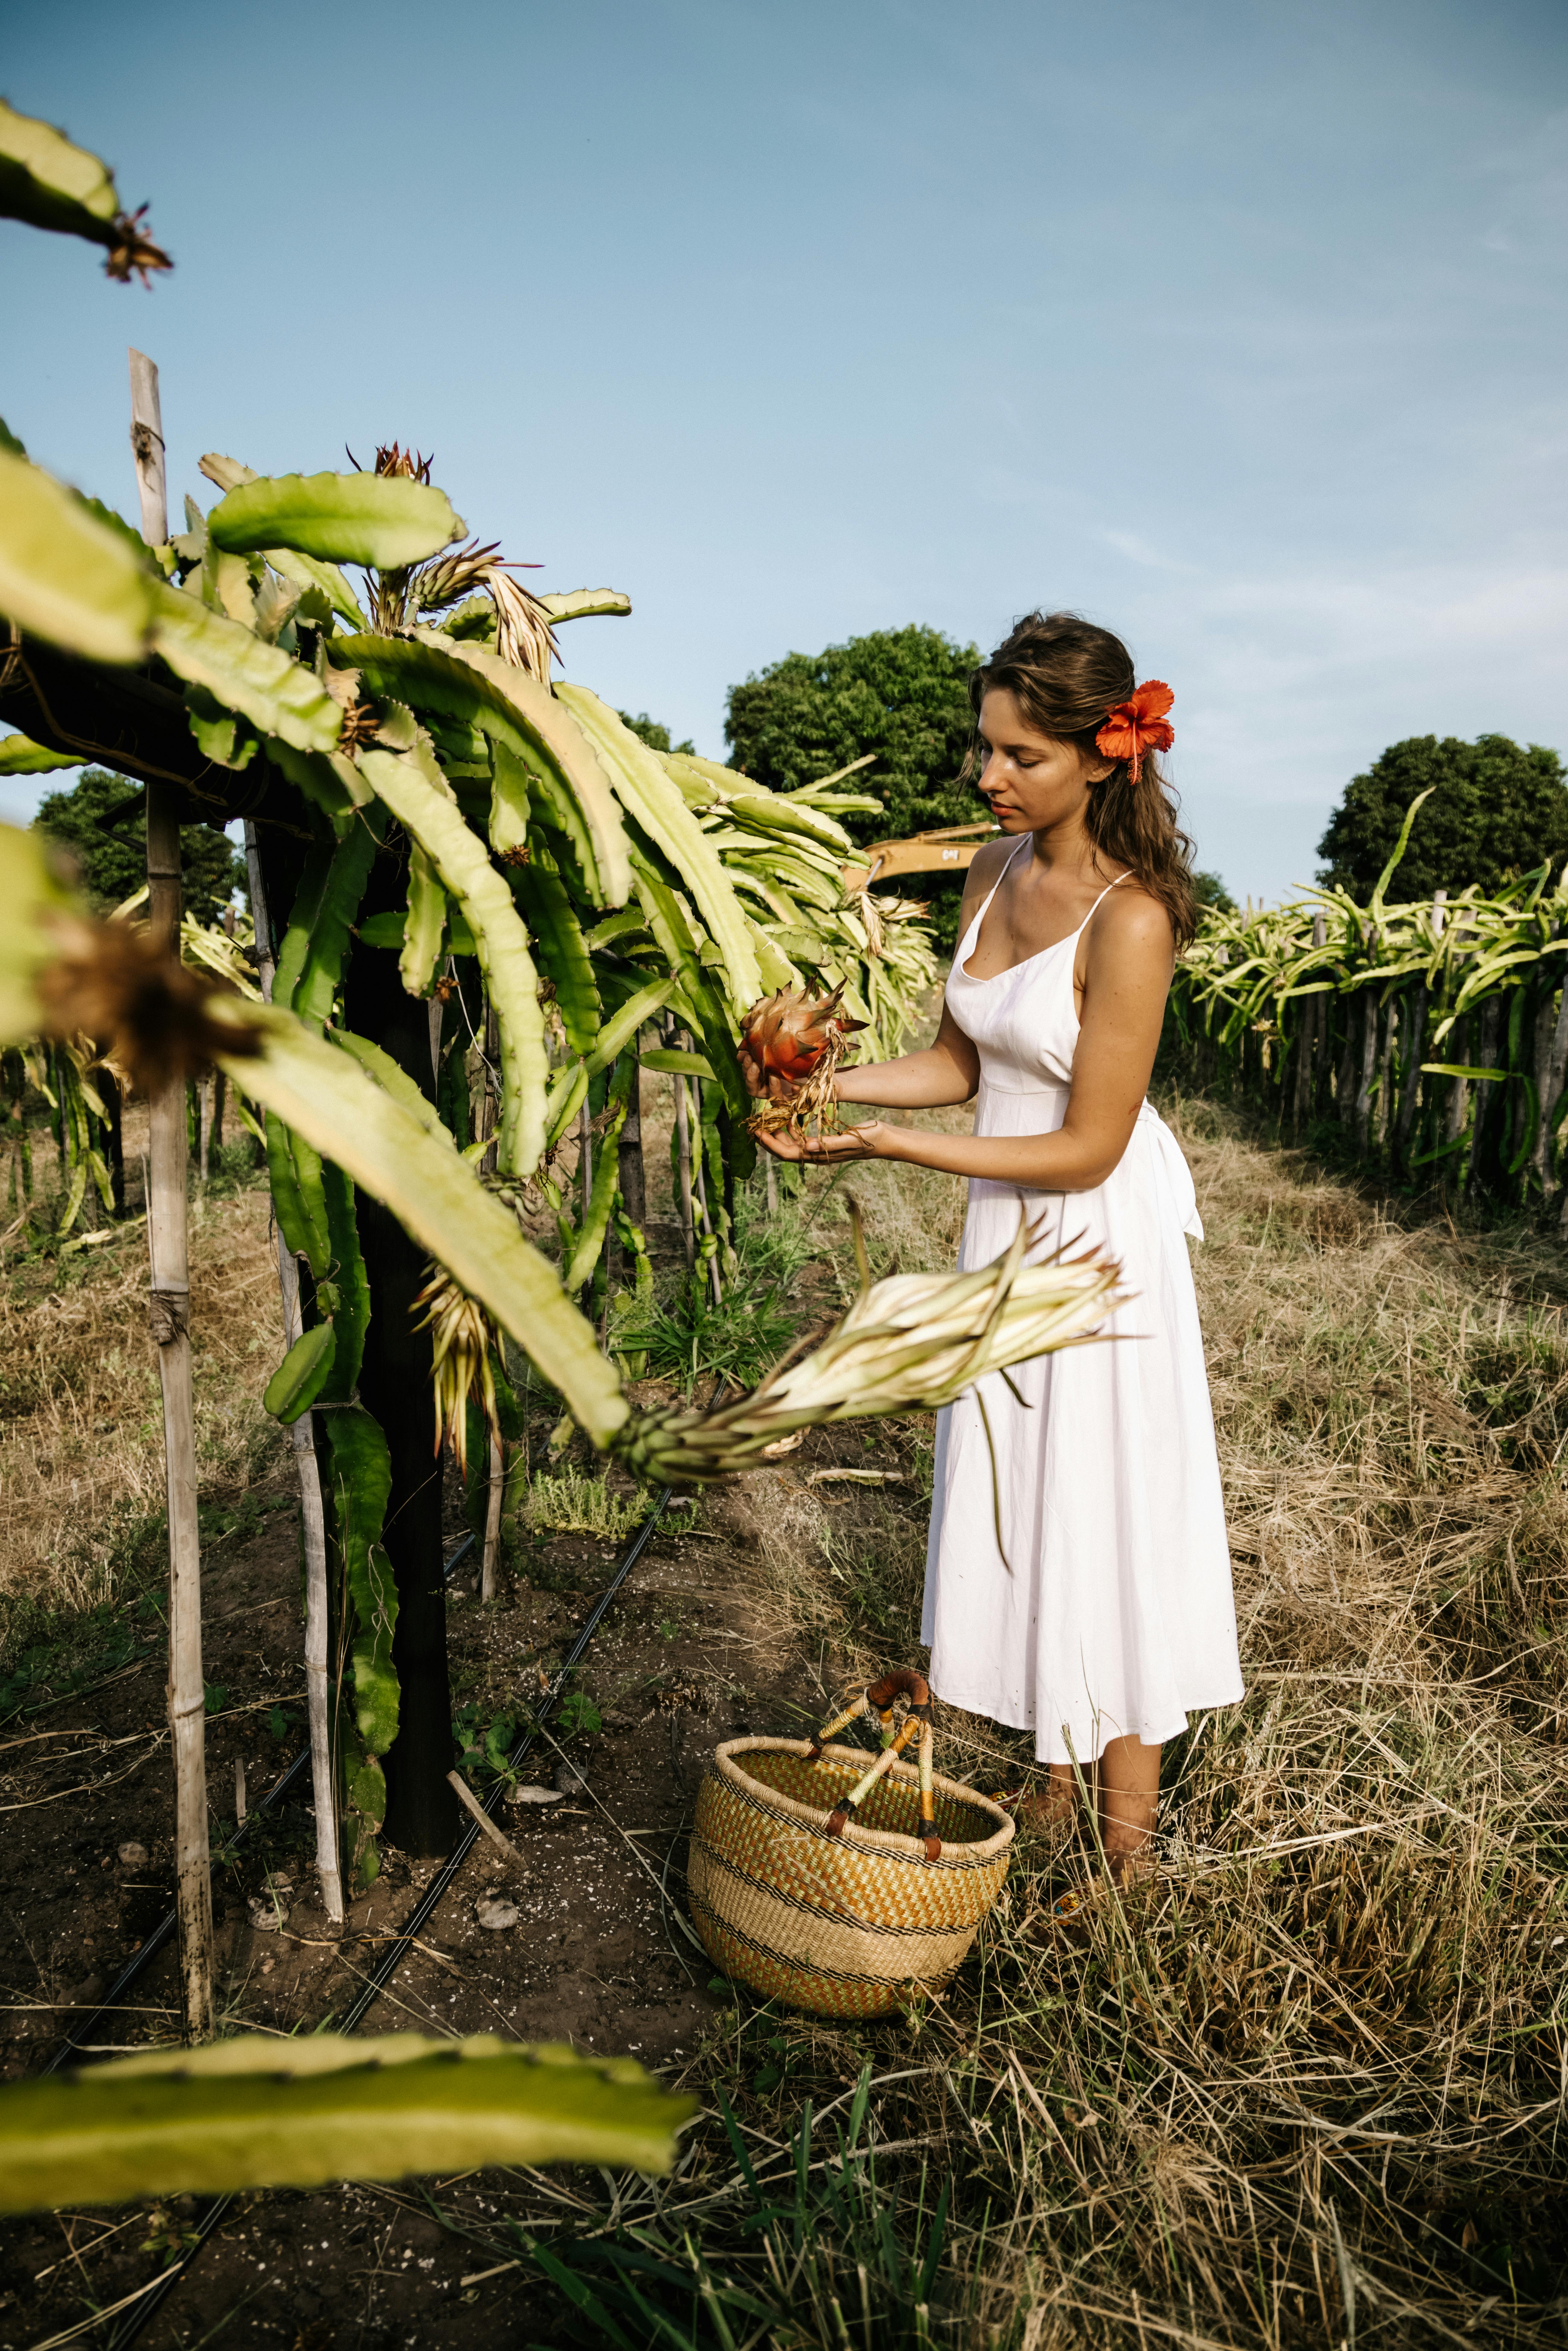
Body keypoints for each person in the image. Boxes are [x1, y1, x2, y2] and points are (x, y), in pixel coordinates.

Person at [743, 611, 1242, 1888]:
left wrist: (889, 1154)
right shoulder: (990, 873)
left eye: (1018, 754)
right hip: (1000, 1226)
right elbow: (963, 1065)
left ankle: (1126, 1858)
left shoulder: (1133, 920)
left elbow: (1084, 1145)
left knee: (1107, 1516)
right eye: (986, 747)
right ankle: (1057, 1787)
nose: (988, 774)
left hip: (1092, 1240)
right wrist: (827, 1089)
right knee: (1029, 1501)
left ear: (1099, 756)